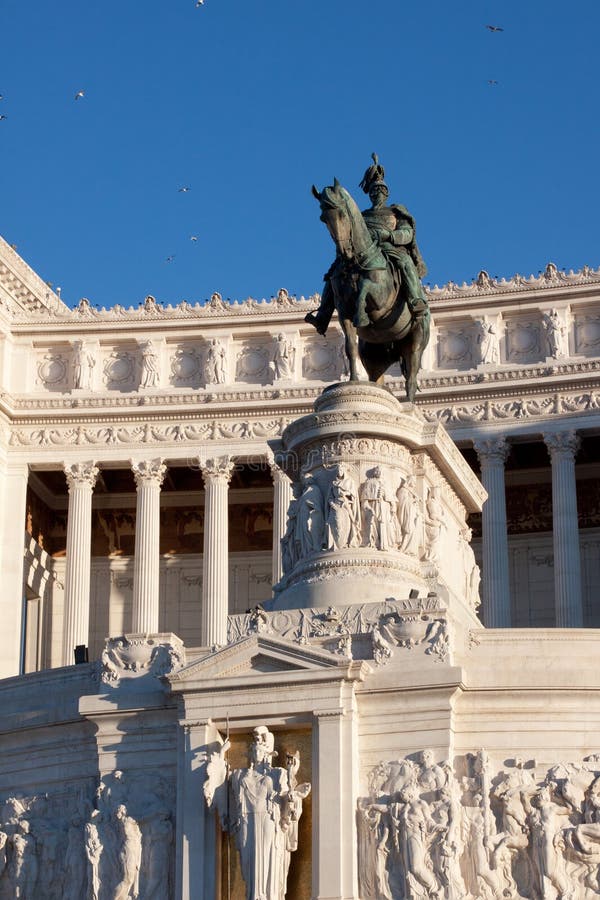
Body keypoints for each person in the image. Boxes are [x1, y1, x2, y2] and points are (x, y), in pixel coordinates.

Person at [305, 154, 428, 333]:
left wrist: (389, 236)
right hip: (364, 252)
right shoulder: (361, 216)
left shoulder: (396, 211)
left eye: (380, 191)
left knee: (405, 262)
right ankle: (323, 314)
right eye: (373, 191)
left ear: (386, 194)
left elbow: (407, 234)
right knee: (334, 274)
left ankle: (416, 300)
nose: (377, 194)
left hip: (389, 249)